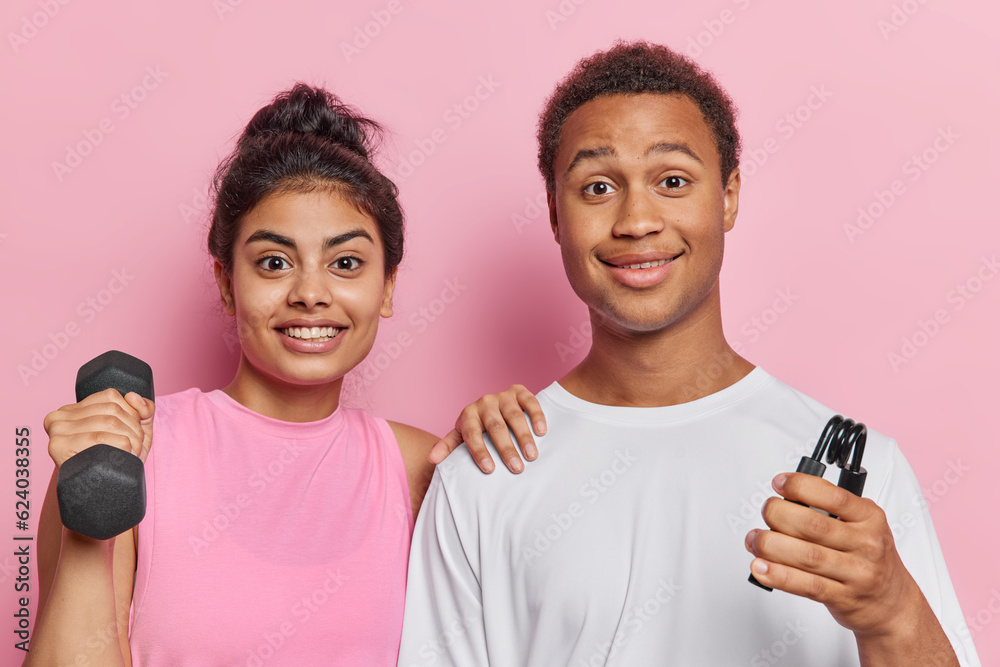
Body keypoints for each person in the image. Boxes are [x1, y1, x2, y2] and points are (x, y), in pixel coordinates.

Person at [398, 41, 981, 666]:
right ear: (554, 214)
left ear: (728, 196)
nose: (637, 220)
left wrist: (892, 611)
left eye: (672, 181)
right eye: (597, 187)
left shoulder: (860, 482)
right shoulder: (482, 476)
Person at [29, 84, 534, 666]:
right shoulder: (128, 446)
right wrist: (91, 519)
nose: (311, 294)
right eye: (274, 262)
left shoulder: (427, 470)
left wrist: (526, 439)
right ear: (226, 283)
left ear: (388, 286)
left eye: (345, 263)